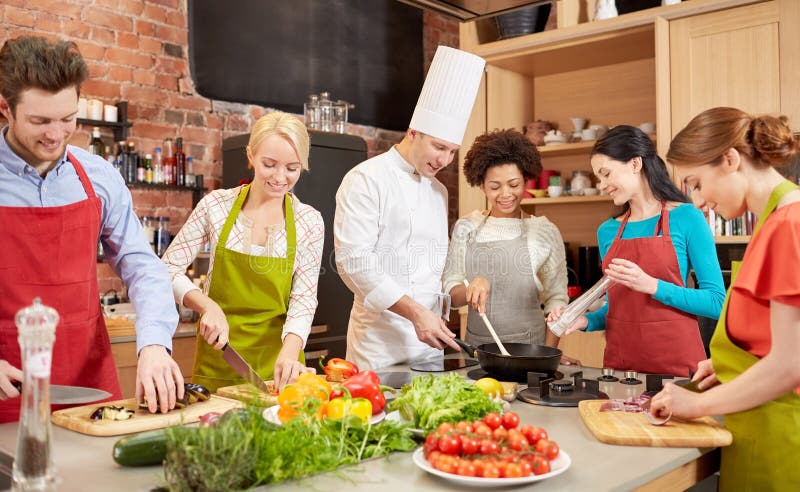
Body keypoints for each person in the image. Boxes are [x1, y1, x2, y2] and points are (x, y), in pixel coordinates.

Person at [0, 36, 183, 421]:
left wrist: (153, 343)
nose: (55, 134)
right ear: (5, 109)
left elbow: (141, 264)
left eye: (67, 119)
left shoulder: (97, 176)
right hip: (7, 382)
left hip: (87, 385)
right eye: (40, 121)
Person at [650, 107, 800, 491]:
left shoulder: (788, 223)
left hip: (781, 438)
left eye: (696, 183)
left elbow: (791, 364)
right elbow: (773, 341)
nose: (697, 201)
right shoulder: (772, 222)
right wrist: (735, 364)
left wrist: (695, 406)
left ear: (731, 160)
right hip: (757, 426)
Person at [334, 46, 485, 370]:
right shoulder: (366, 178)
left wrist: (458, 293)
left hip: (428, 347)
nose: (445, 160)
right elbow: (355, 263)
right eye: (439, 147)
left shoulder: (439, 191)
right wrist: (416, 313)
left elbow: (432, 271)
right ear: (413, 132)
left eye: (453, 151)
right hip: (377, 349)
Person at [162, 112, 323, 391]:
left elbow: (304, 300)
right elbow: (167, 268)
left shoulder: (308, 221)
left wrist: (290, 352)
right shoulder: (216, 206)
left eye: (292, 168)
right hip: (218, 360)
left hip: (280, 368)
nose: (280, 178)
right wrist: (206, 305)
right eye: (269, 164)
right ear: (251, 155)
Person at [557, 125, 725, 377]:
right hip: (621, 367)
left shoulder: (687, 217)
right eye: (597, 178)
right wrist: (586, 321)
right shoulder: (608, 231)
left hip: (676, 368)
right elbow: (618, 307)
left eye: (606, 173)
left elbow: (717, 302)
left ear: (635, 163)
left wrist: (652, 285)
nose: (602, 185)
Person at [442, 129, 573, 356]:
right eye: (495, 186)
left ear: (525, 181)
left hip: (531, 351)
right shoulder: (467, 227)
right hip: (477, 352)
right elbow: (451, 295)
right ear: (482, 185)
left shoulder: (544, 231)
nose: (505, 194)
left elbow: (556, 299)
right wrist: (470, 289)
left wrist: (548, 357)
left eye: (514, 185)